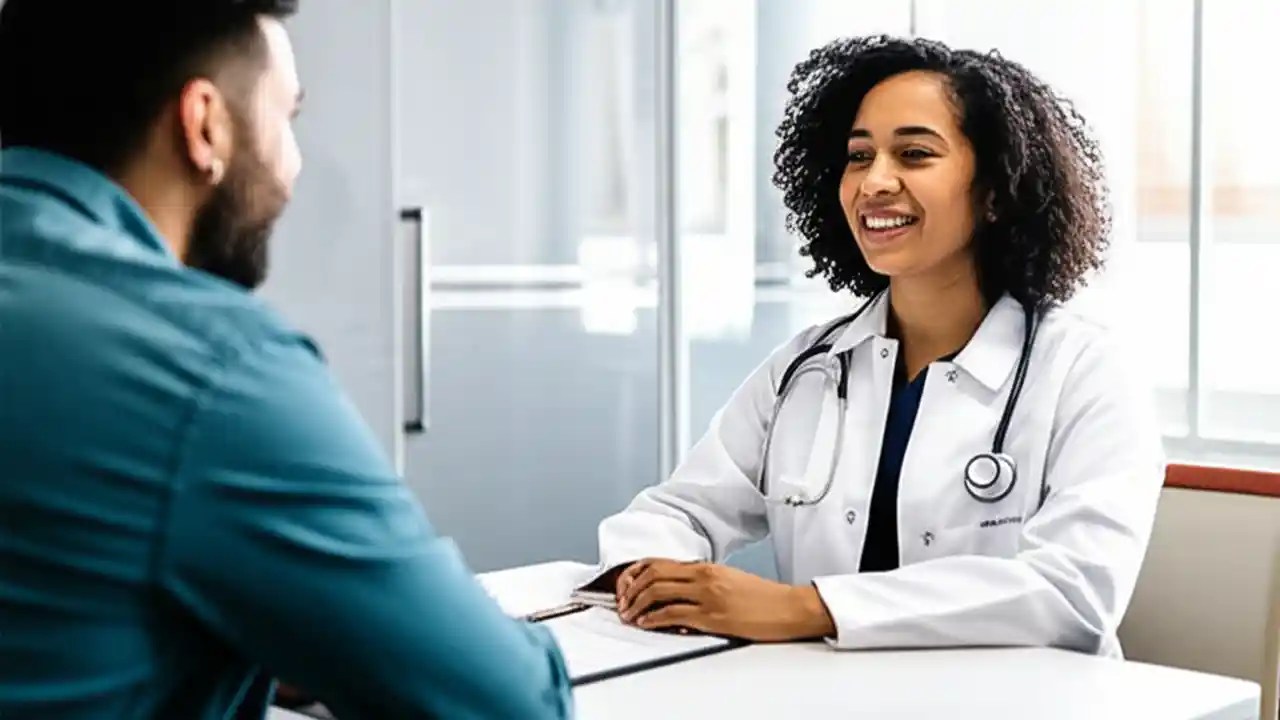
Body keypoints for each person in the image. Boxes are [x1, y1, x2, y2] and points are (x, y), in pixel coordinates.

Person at [0, 2, 571, 718]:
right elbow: (508, 703)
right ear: (205, 124)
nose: (295, 166)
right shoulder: (207, 367)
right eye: (287, 118)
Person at [589, 35, 1164, 657]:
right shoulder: (807, 369)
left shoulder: (1084, 371)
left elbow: (1072, 590)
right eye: (859, 156)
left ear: (995, 191)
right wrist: (647, 577)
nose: (874, 182)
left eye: (914, 154)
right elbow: (680, 511)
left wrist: (805, 607)